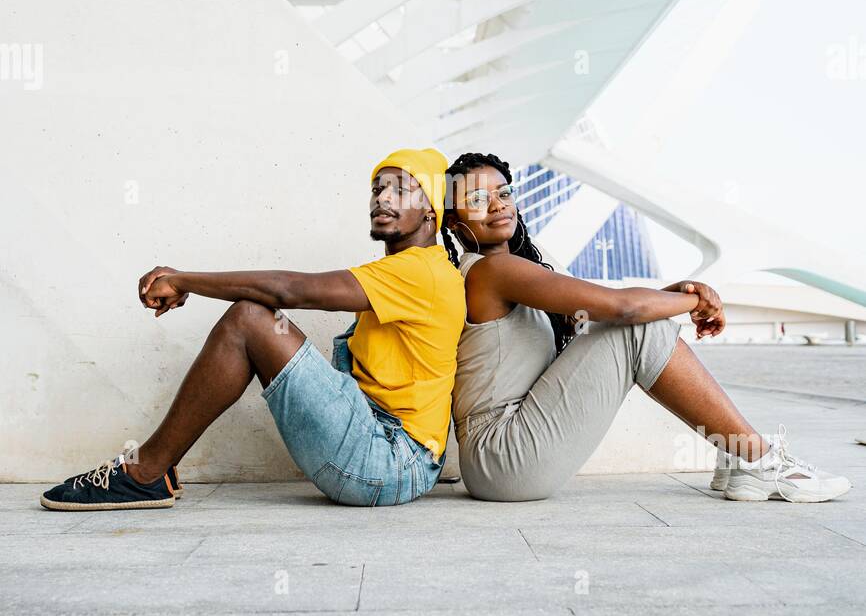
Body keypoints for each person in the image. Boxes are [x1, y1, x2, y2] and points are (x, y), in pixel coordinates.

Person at [41, 148, 465, 511]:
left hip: (386, 460)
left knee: (250, 316)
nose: (382, 198)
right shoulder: (404, 271)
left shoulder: (421, 272)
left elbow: (290, 290)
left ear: (431, 209)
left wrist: (183, 279)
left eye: (401, 189)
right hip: (381, 448)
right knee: (255, 314)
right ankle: (154, 468)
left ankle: (146, 470)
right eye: (377, 189)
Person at [441, 151, 850, 505]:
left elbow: (604, 313)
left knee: (634, 326)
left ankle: (738, 455)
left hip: (500, 457)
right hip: (504, 456)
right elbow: (624, 310)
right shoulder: (493, 271)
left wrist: (666, 296)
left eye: (503, 192)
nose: (497, 205)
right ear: (458, 226)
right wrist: (695, 300)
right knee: (638, 329)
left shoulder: (507, 273)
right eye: (478, 199)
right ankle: (757, 460)